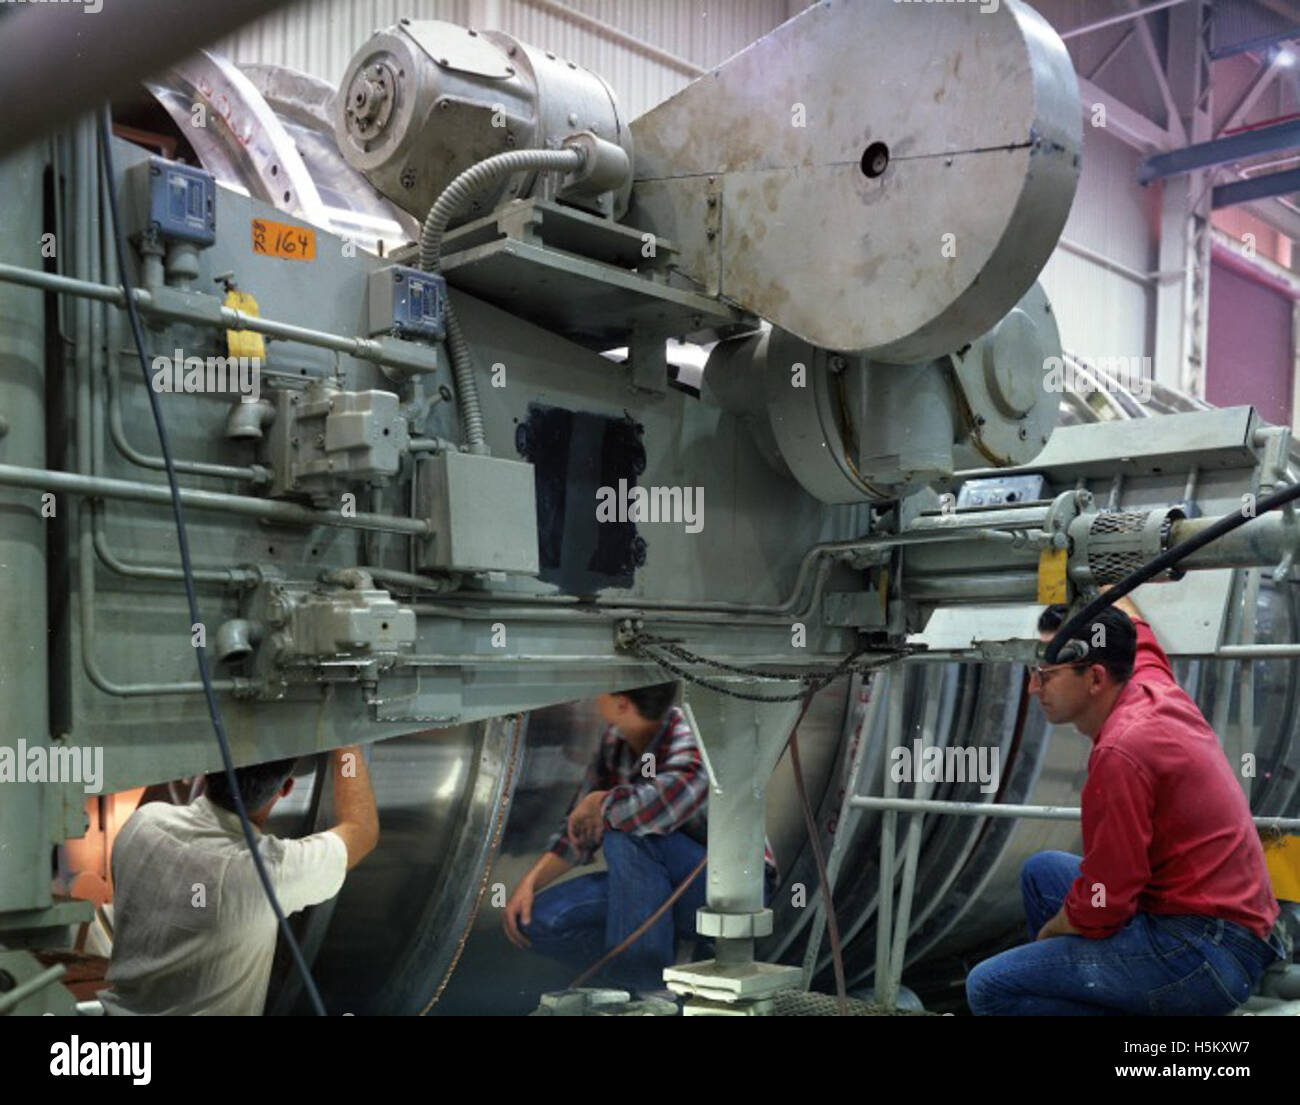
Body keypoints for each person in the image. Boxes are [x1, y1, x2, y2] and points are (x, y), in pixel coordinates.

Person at [966, 591, 1284, 1015]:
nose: (1032, 687)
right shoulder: (1148, 685)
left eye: (1046, 674)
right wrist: (1102, 578)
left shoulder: (1121, 752)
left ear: (1095, 678)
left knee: (990, 986)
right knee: (1042, 873)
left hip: (1201, 952)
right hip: (1223, 932)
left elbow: (1105, 899)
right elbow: (1137, 631)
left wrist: (1051, 934)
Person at [501, 681, 777, 993]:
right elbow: (580, 828)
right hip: (647, 886)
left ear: (622, 704)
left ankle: (643, 994)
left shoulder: (692, 740)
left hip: (721, 890)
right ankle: (664, 964)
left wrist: (600, 802)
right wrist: (530, 883)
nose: (594, 697)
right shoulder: (614, 742)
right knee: (535, 921)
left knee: (626, 832)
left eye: (603, 690)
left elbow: (655, 810)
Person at [100, 746, 378, 1015]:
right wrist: (347, 745)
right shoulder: (267, 874)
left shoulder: (143, 822)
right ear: (285, 788)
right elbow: (361, 830)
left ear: (208, 769)